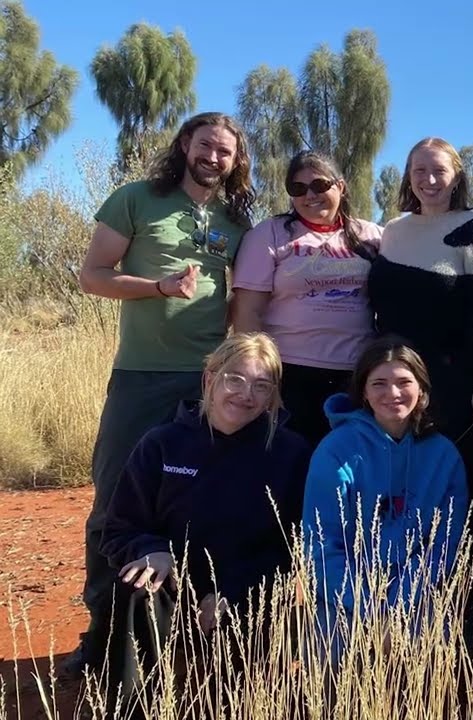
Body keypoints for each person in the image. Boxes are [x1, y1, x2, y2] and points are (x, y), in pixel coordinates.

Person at [69, 111, 255, 676]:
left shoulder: (234, 222)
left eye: (225, 151)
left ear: (234, 159)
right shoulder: (137, 199)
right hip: (142, 375)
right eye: (205, 146)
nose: (214, 158)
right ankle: (101, 633)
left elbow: (238, 303)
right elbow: (94, 275)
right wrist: (157, 287)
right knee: (116, 497)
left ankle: (173, 634)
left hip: (208, 381)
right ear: (185, 145)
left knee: (193, 502)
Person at [98, 332, 311, 714]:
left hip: (247, 589)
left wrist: (234, 590)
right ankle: (132, 707)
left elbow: (293, 546)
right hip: (172, 584)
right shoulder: (161, 443)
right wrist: (152, 550)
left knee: (234, 690)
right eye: (235, 379)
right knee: (136, 588)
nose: (246, 395)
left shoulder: (290, 453)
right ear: (209, 378)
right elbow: (118, 528)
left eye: (261, 386)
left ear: (273, 395)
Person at [303, 337, 469, 656]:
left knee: (434, 651)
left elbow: (445, 544)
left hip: (416, 596)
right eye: (379, 383)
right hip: (347, 596)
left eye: (404, 382)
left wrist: (400, 604)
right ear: (363, 391)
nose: (392, 393)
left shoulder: (444, 455)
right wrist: (369, 608)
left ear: (421, 389)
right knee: (333, 649)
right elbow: (321, 545)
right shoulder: (336, 451)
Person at [368, 137, 473, 493]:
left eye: (439, 171)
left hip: (453, 385)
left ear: (457, 178)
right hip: (395, 379)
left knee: (449, 484)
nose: (429, 180)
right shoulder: (395, 230)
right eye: (420, 171)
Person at [232, 150, 383, 446]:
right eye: (298, 189)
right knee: (287, 463)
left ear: (340, 186)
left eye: (320, 185)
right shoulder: (270, 234)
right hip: (288, 372)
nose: (309, 195)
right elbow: (248, 310)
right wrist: (255, 371)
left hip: (355, 374)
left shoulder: (373, 235)